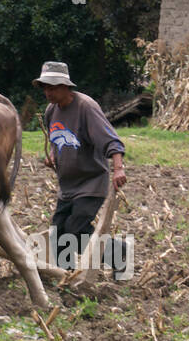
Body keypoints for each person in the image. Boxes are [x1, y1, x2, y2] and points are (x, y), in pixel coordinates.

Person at [34, 61, 127, 273]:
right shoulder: (51, 111)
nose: (48, 92)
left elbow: (111, 140)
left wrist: (119, 168)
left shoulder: (86, 107)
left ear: (66, 86)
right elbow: (58, 140)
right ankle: (65, 277)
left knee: (75, 229)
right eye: (45, 88)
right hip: (67, 185)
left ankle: (118, 253)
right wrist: (53, 158)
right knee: (58, 233)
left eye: (52, 87)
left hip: (91, 182)